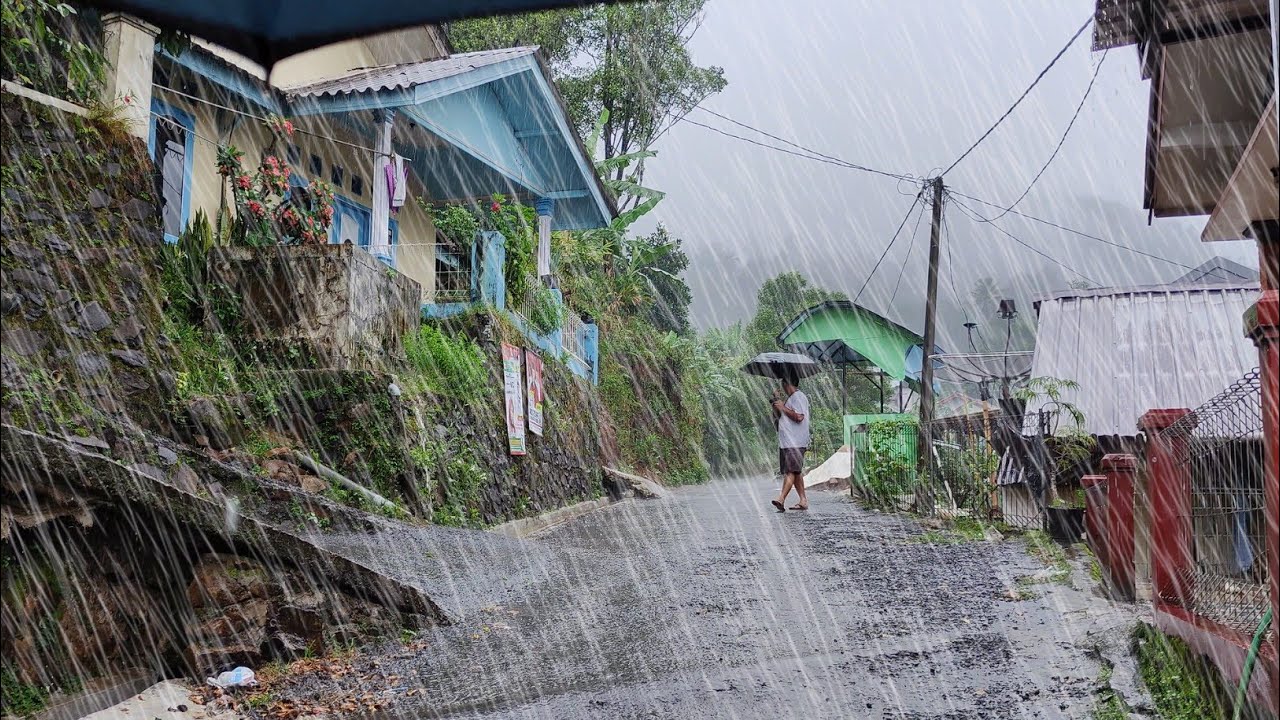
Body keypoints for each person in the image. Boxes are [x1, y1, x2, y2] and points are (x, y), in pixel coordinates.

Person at [770, 372, 810, 512]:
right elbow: (779, 417)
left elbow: (799, 417)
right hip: (788, 442)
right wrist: (777, 402)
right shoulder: (791, 399)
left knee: (790, 471)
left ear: (786, 384)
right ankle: (803, 500)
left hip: (795, 441)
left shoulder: (798, 397)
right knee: (796, 472)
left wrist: (783, 407)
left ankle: (781, 498)